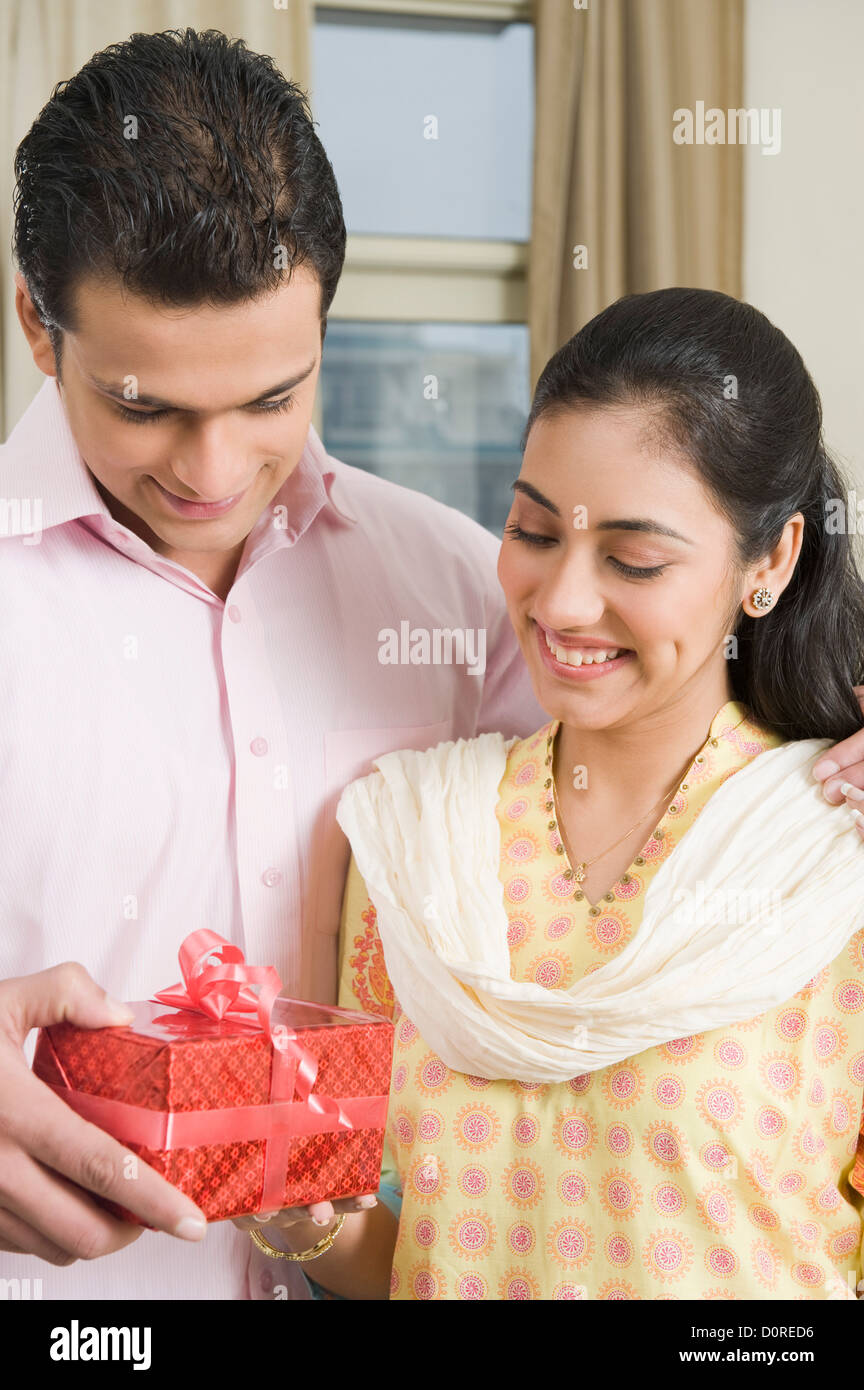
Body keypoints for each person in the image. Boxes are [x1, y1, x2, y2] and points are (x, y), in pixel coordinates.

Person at [0, 28, 546, 1301]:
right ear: (38, 323)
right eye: (145, 405)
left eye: (270, 398)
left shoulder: (461, 589)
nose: (211, 470)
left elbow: (636, 830)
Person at [333, 287, 864, 1300]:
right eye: (534, 532)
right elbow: (398, 1240)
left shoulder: (834, 857)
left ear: (773, 560)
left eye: (634, 558)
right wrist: (303, 1229)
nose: (565, 601)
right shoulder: (416, 841)